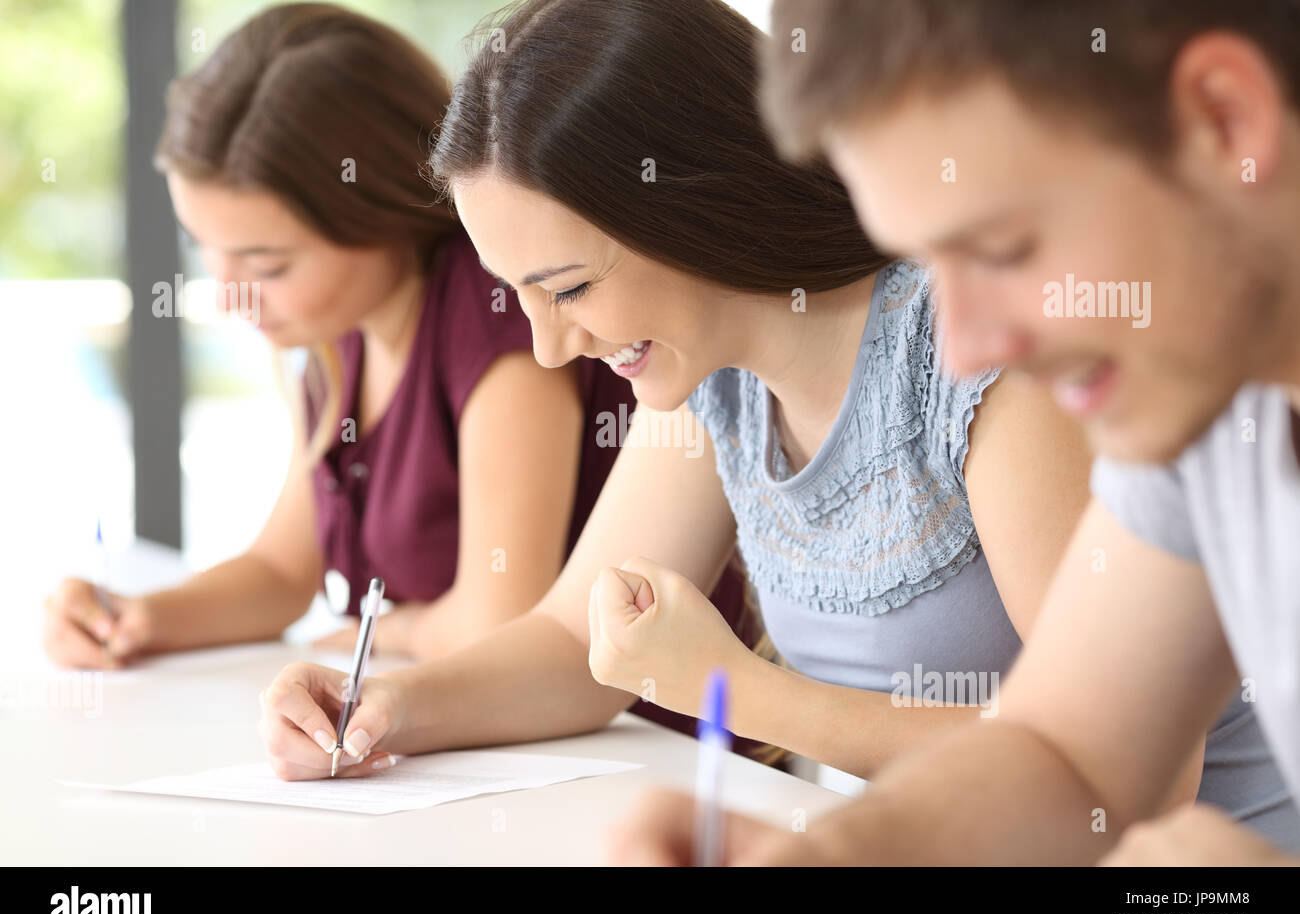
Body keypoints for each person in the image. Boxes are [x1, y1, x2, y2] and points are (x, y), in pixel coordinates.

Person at [259, 0, 1187, 805]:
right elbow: (573, 646)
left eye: (570, 288)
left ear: (692, 207)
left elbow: (1115, 762)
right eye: (520, 295)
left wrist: (738, 691)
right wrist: (380, 708)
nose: (548, 346)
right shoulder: (707, 376)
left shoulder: (976, 357)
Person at [610, 0, 1300, 863]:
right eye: (927, 263)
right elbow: (1069, 753)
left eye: (1004, 248)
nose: (964, 348)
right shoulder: (1204, 395)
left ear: (1225, 120)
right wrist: (829, 857)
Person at [39, 1, 764, 768]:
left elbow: (501, 614)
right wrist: (135, 619)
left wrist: (382, 632)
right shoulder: (336, 340)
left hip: (629, 750)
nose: (232, 297)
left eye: (268, 264)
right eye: (208, 253)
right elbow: (285, 569)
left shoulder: (496, 316)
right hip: (496, 739)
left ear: (377, 207)